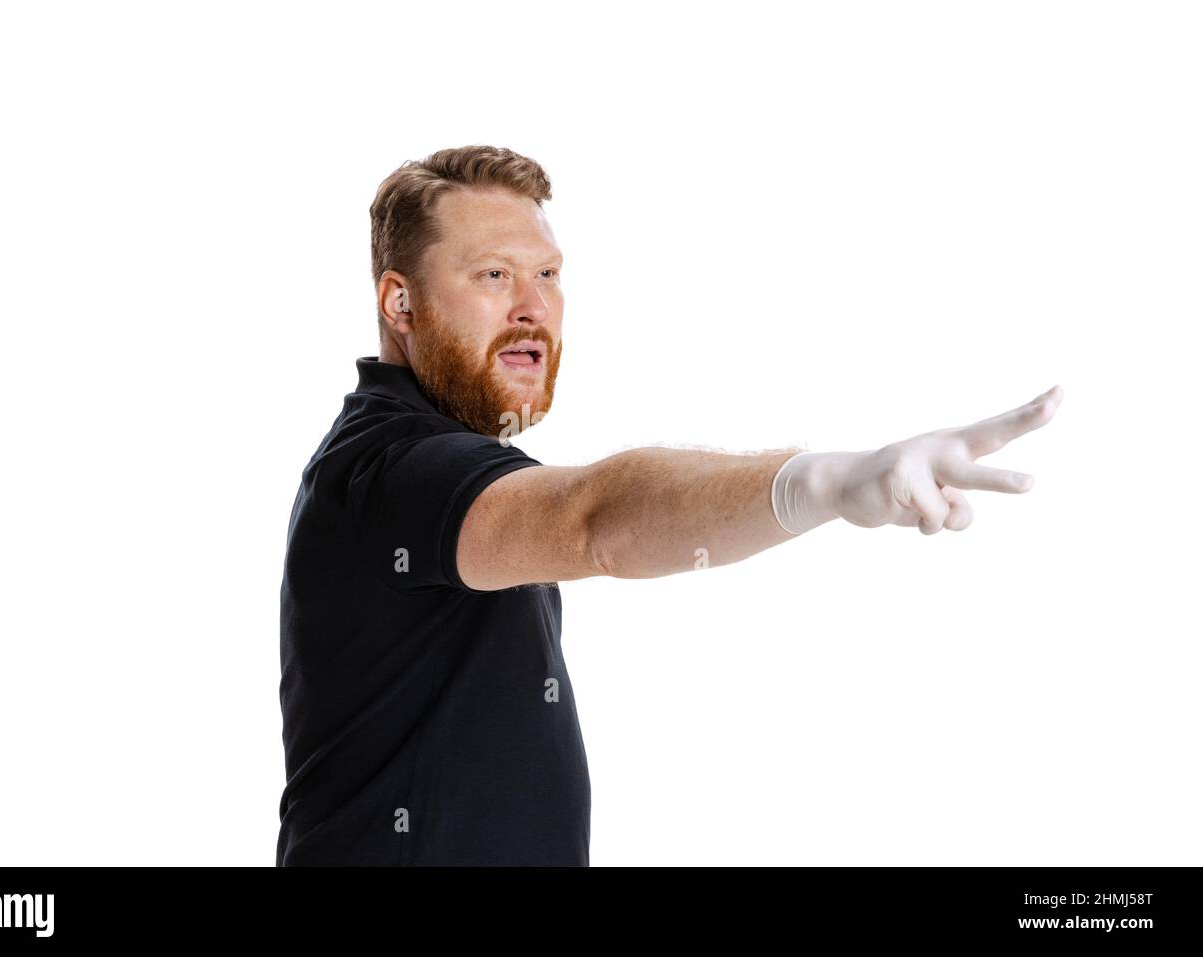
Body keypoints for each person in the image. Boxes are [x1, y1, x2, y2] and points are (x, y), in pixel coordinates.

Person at [275, 144, 1064, 866]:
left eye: (548, 275)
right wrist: (822, 482)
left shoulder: (450, 462)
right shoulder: (386, 472)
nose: (534, 307)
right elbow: (595, 520)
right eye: (493, 275)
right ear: (400, 304)